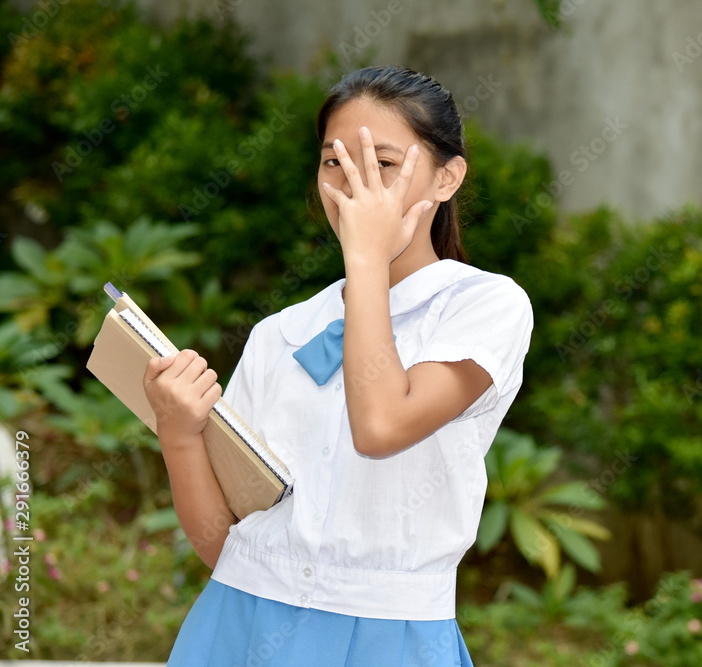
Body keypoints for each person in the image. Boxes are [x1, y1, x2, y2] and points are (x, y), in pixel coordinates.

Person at [142, 65, 533, 666]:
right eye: (334, 163)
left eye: (382, 163)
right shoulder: (281, 334)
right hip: (235, 627)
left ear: (448, 177)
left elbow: (380, 427)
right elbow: (224, 544)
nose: (355, 187)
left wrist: (367, 260)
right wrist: (179, 434)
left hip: (389, 638)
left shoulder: (482, 306)